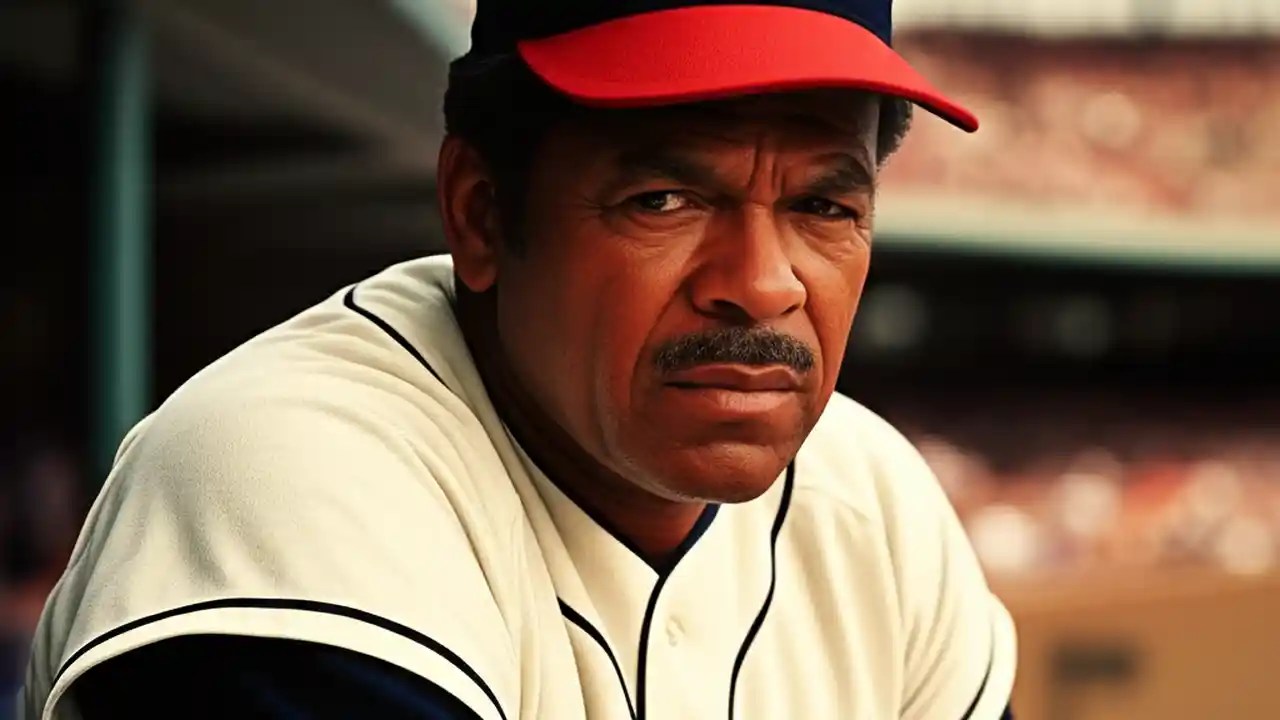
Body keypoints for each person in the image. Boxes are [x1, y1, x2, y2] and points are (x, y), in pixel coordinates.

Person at [21, 1, 1017, 718]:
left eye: (823, 206)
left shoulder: (871, 502)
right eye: (664, 200)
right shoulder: (286, 472)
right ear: (483, 214)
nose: (760, 284)